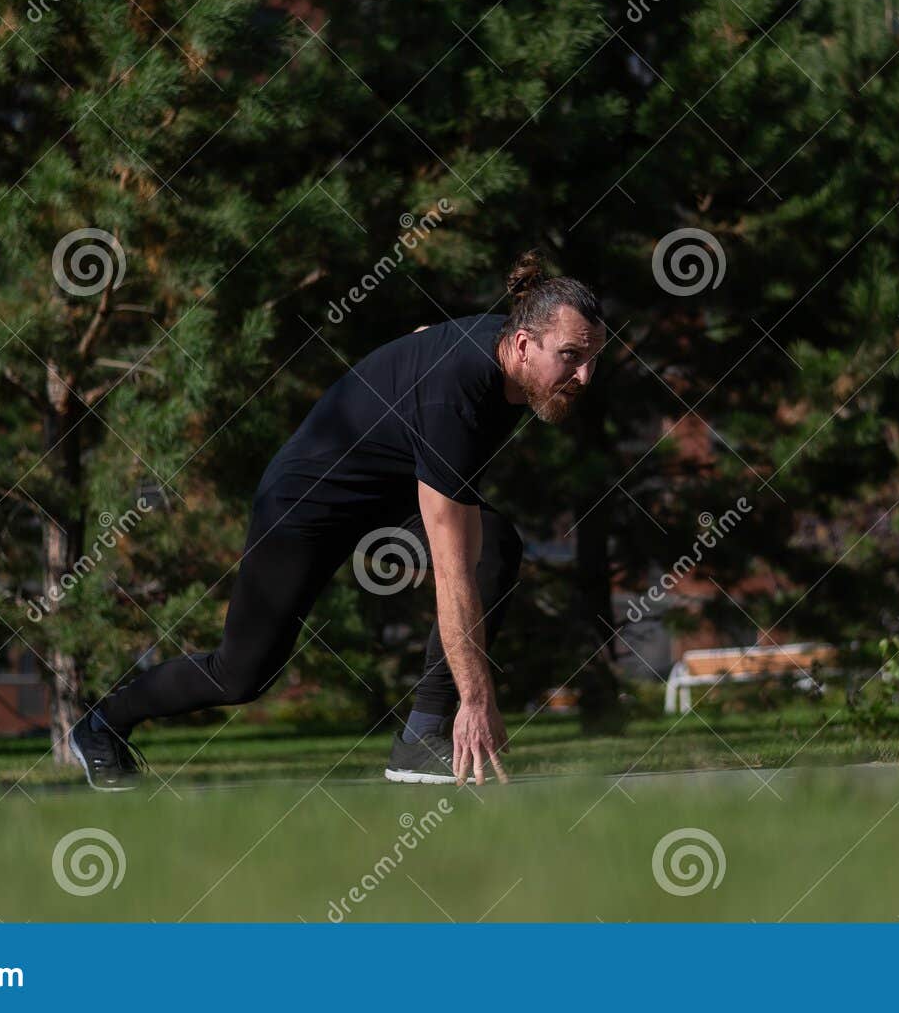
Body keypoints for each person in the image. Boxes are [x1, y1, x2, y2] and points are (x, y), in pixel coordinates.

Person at [67, 250, 606, 790]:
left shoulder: (507, 346)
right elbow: (449, 570)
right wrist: (476, 697)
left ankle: (422, 739)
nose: (584, 375)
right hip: (305, 503)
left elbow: (425, 332)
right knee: (241, 673)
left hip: (384, 500)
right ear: (521, 346)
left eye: (592, 359)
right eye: (571, 356)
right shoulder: (457, 395)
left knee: (496, 545)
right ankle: (102, 723)